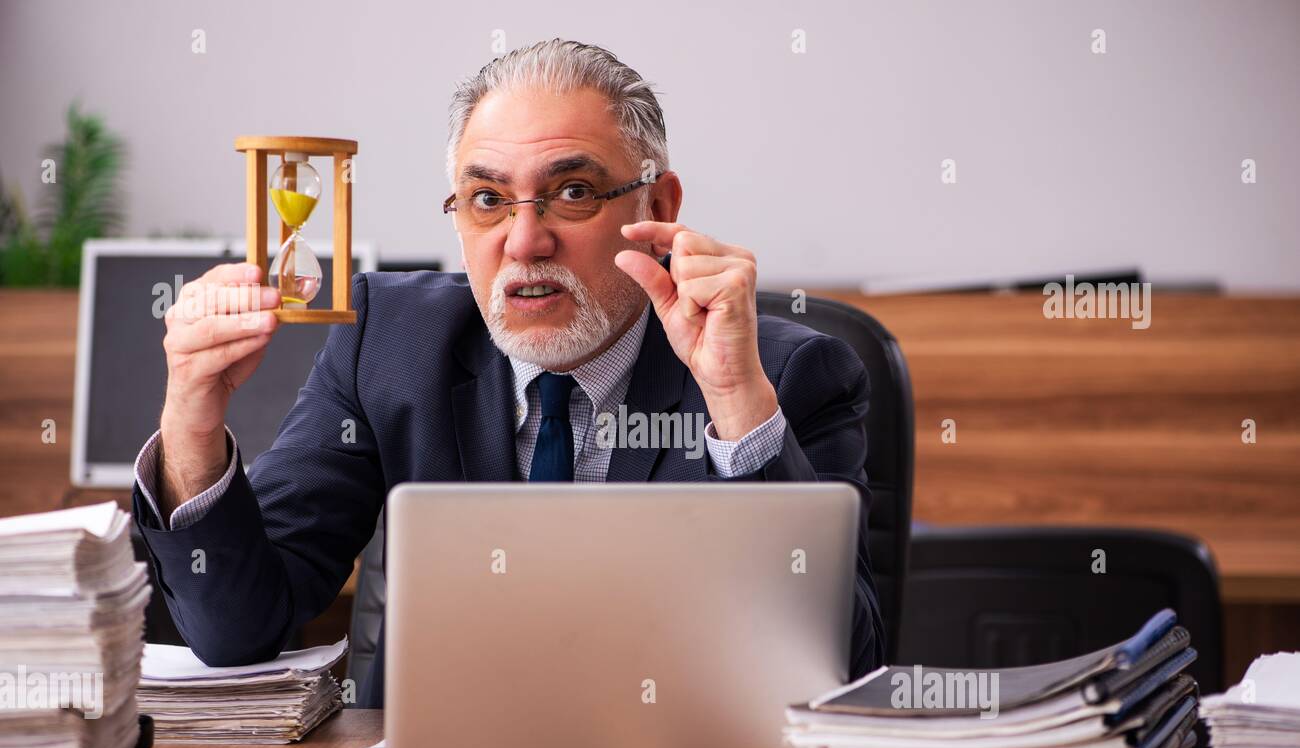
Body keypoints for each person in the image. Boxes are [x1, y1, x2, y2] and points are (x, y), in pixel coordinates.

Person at [133, 38, 885, 707]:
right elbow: (238, 631)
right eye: (488, 199)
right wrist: (192, 426)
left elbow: (838, 672)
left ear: (658, 204)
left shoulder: (785, 374)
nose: (525, 242)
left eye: (573, 192)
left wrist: (735, 403)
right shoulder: (389, 343)